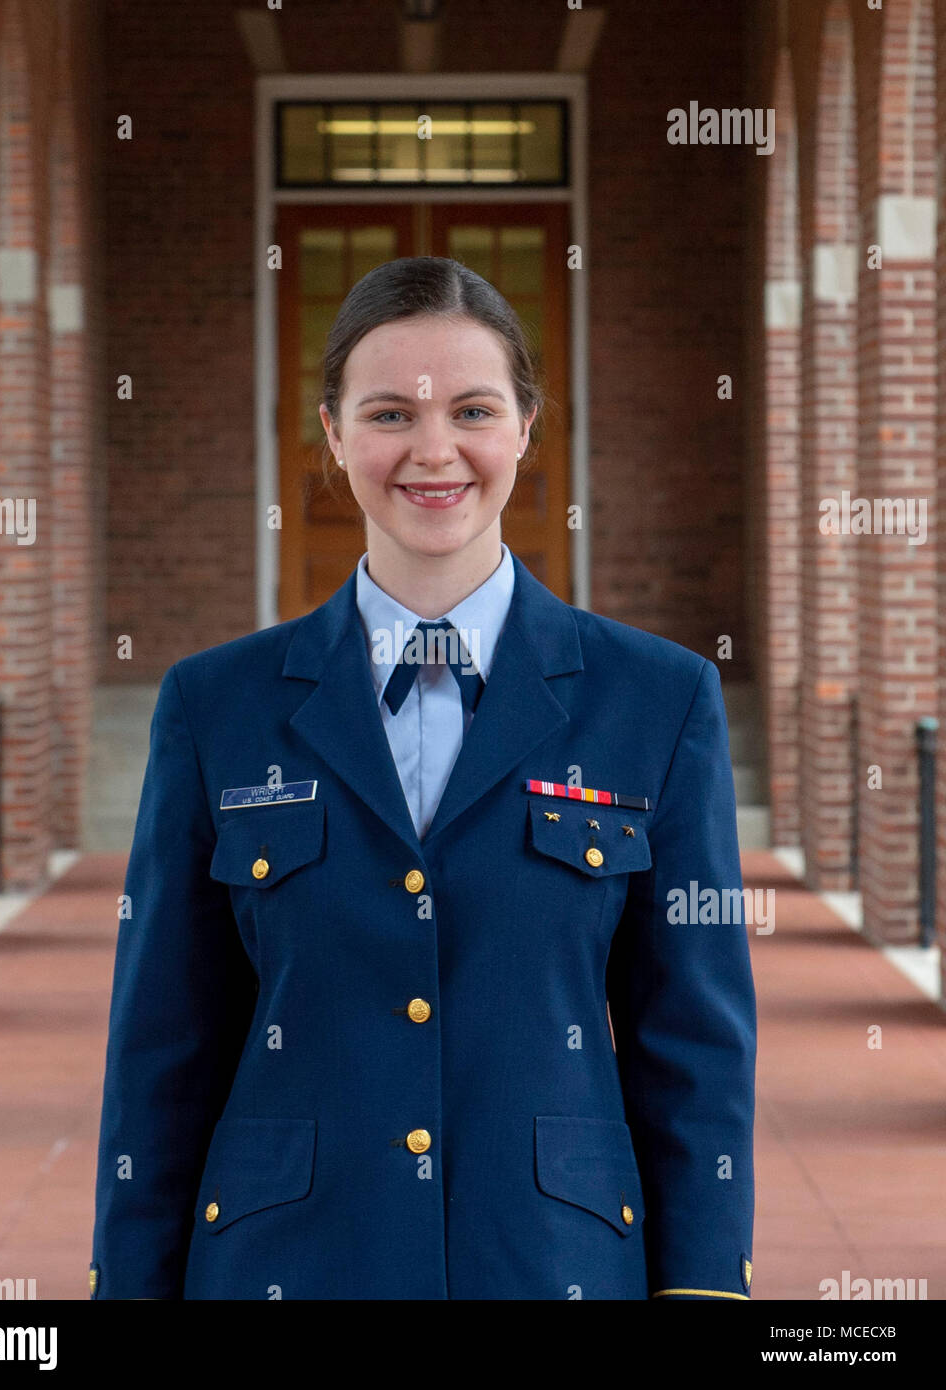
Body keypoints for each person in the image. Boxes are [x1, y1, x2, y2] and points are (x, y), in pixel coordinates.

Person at [89, 256, 756, 1301]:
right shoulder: (215, 706)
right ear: (333, 433)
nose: (433, 451)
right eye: (389, 412)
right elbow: (160, 1047)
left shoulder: (656, 700)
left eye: (474, 410)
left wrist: (707, 1287)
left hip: (551, 1266)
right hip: (283, 1267)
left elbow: (695, 1045)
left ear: (527, 426)